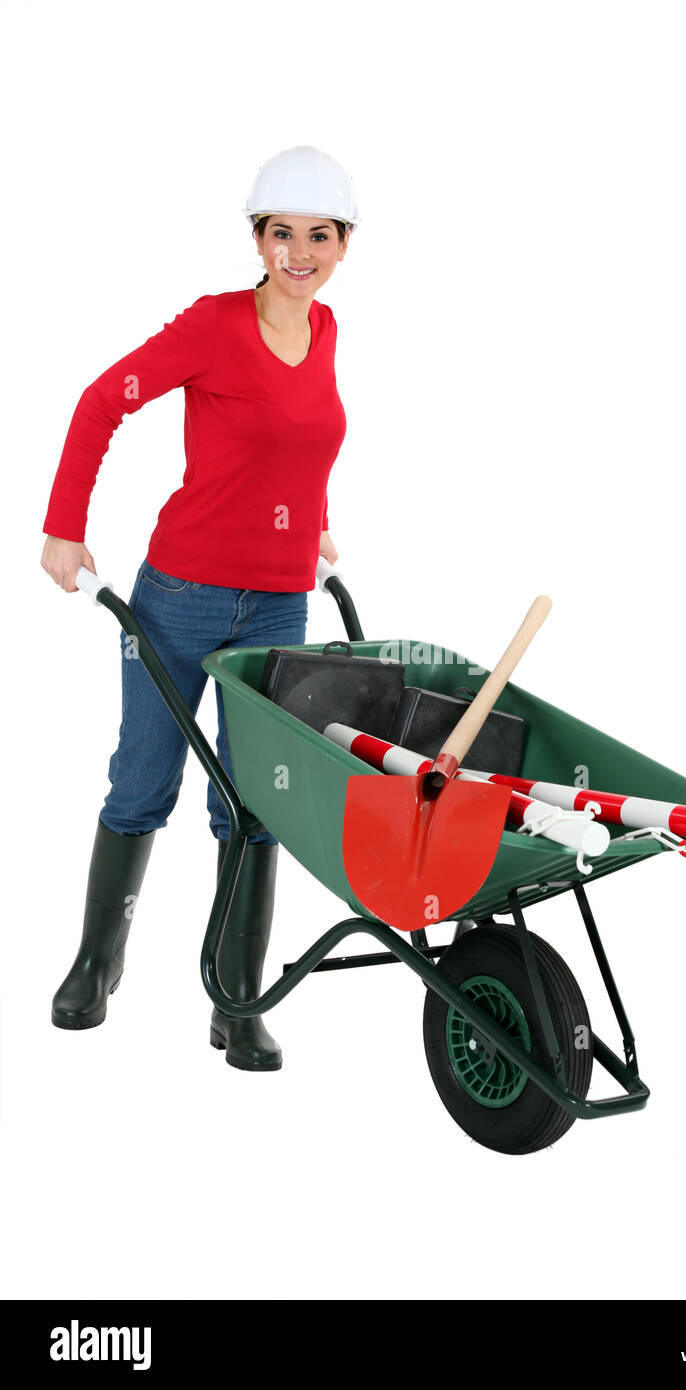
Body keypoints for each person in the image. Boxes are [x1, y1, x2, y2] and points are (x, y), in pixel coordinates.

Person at [40, 145, 359, 1071]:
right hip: (179, 598)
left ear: (343, 245)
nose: (300, 252)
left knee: (255, 803)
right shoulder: (215, 326)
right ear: (257, 239)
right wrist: (65, 528)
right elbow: (102, 401)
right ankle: (97, 963)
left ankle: (235, 999)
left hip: (279, 609)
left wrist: (317, 526)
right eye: (282, 234)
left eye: (319, 236)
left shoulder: (328, 329)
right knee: (145, 782)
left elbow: (301, 441)